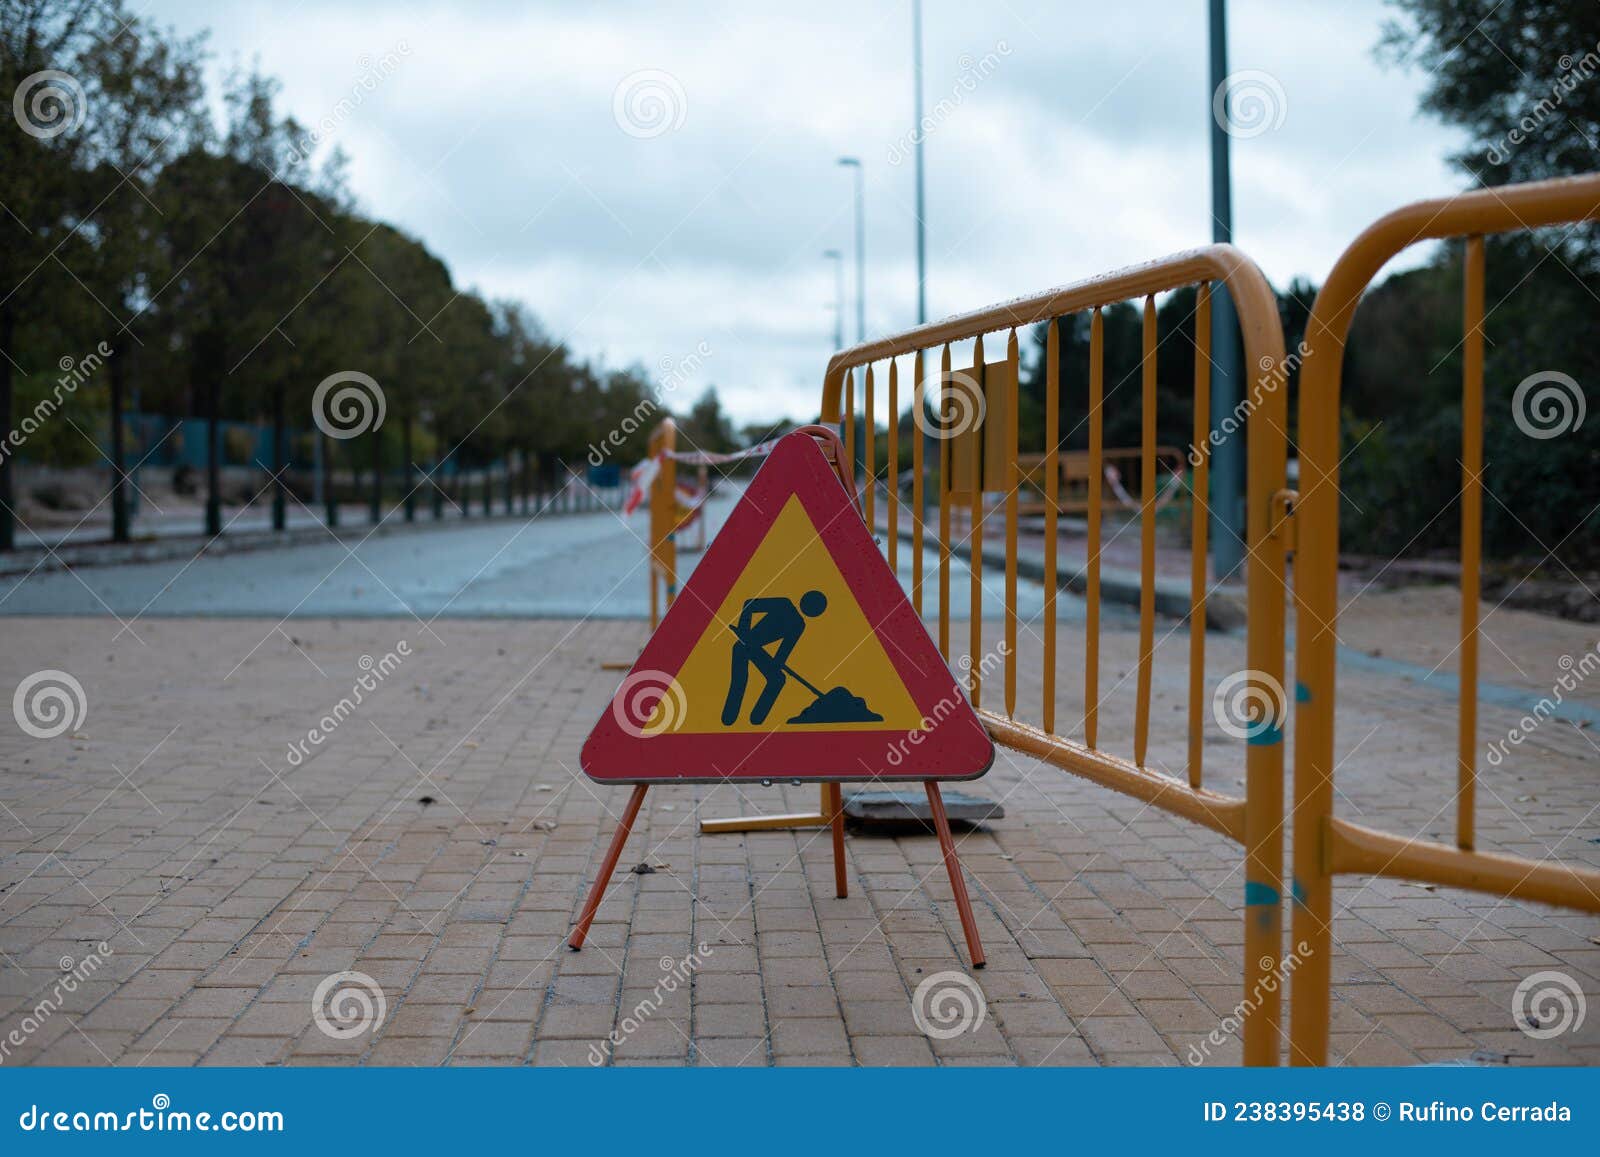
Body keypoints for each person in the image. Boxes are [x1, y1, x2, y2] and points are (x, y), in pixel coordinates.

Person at [720, 590, 827, 725]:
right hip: (742, 647)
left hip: (755, 649)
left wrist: (777, 663)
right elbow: (749, 604)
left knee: (778, 679)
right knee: (741, 679)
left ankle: (757, 719)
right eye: (814, 606)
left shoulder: (799, 625)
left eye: (816, 608)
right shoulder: (784, 604)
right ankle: (729, 717)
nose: (813, 609)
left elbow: (783, 653)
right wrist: (744, 630)